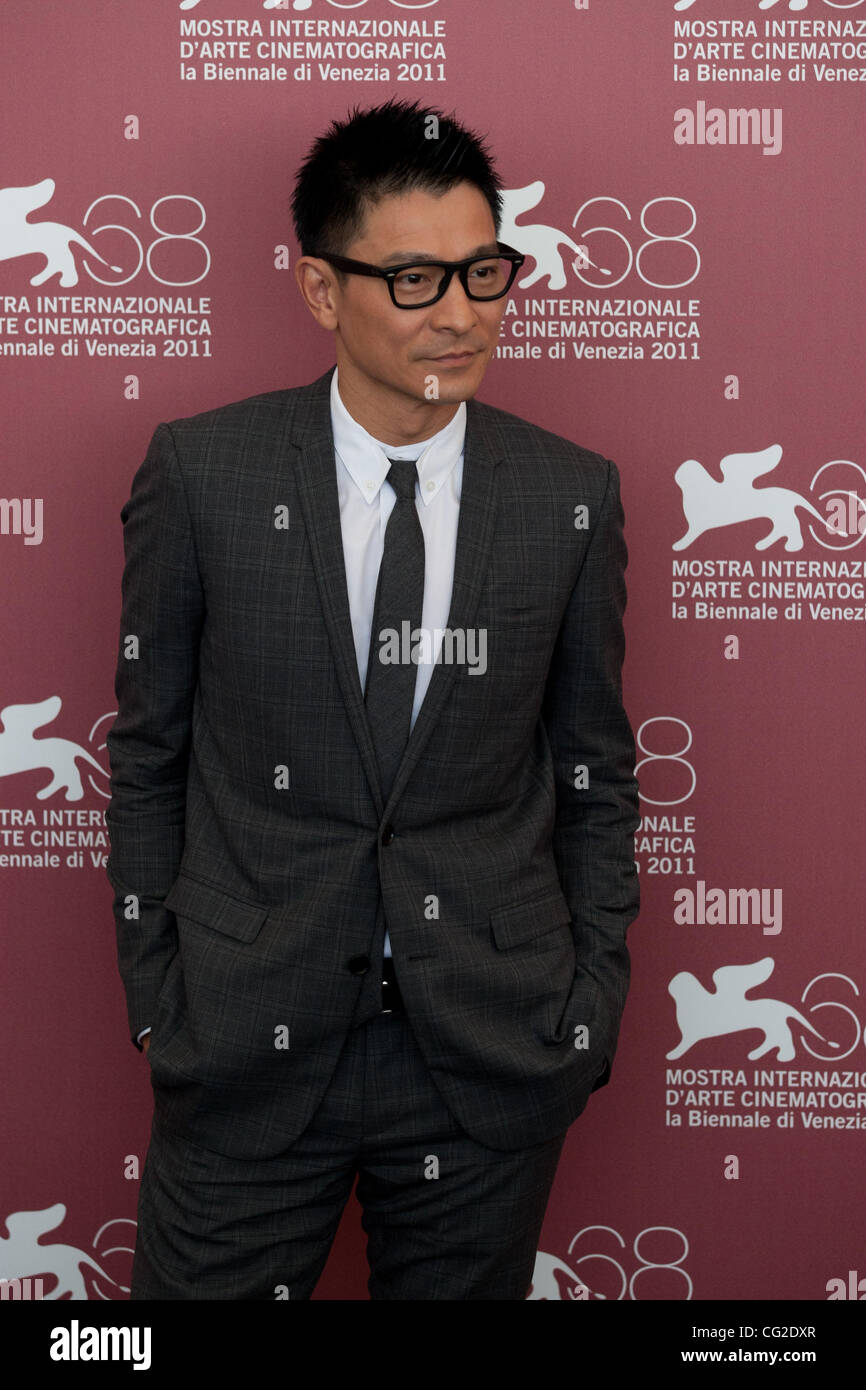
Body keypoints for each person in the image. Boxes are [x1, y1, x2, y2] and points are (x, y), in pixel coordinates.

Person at [106, 97, 640, 1301]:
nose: (457, 312)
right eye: (409, 278)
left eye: (481, 271)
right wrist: (161, 1003)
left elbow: (593, 772)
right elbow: (148, 754)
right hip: (246, 1039)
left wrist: (583, 1008)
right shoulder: (205, 475)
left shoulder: (572, 495)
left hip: (487, 1048)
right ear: (318, 290)